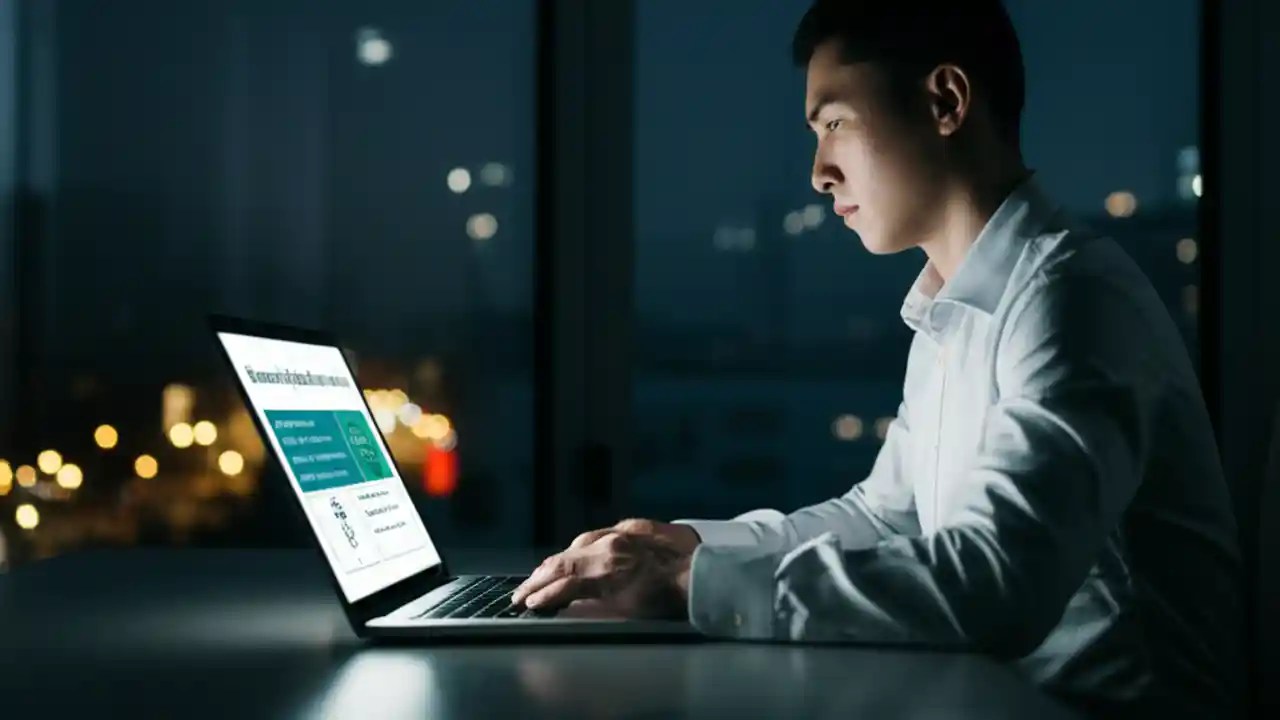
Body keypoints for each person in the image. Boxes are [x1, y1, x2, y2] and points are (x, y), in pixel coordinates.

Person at [511, 0, 1243, 714]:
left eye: (834, 122)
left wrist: (691, 583)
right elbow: (886, 519)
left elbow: (997, 585)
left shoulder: (1072, 298)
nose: (818, 172)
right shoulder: (955, 309)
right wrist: (685, 547)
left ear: (946, 101)